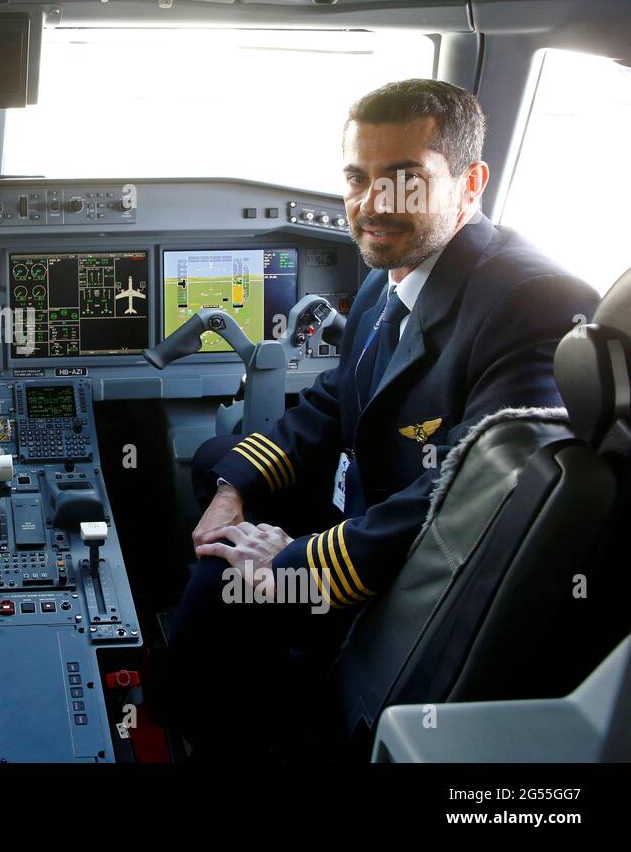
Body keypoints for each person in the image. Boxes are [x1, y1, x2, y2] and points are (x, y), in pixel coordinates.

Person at [157, 79, 601, 758]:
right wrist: (236, 490)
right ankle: (255, 668)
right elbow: (339, 396)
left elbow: (475, 496)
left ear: (471, 182)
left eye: (404, 179)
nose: (373, 204)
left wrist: (292, 560)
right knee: (219, 459)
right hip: (365, 503)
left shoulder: (534, 300)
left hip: (412, 564)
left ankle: (211, 733)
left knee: (225, 583)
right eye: (358, 179)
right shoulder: (389, 273)